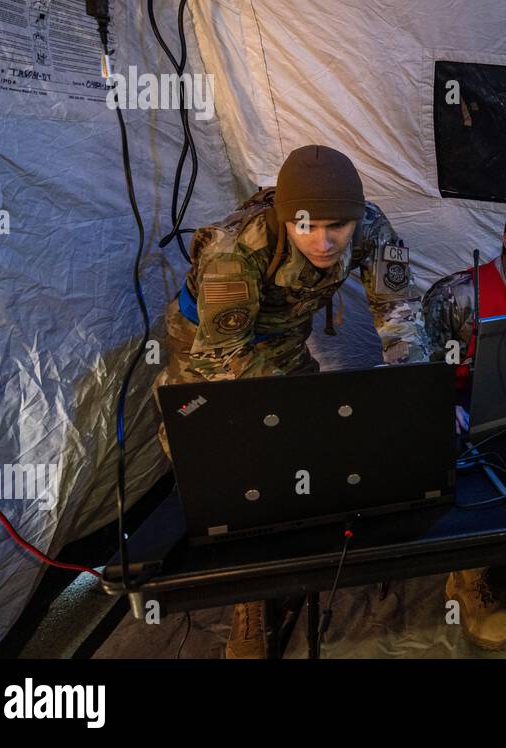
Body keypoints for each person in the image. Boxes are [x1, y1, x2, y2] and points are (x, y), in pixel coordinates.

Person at [155, 144, 426, 658]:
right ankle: (249, 596)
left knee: (301, 451)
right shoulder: (234, 250)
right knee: (229, 460)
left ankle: (295, 550)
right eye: (306, 226)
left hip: (282, 339)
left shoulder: (369, 225)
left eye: (336, 228)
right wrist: (289, 410)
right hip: (209, 347)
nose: (323, 242)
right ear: (285, 219)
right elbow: (225, 357)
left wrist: (412, 387)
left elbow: (399, 308)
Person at [422, 202, 506, 651]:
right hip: (456, 400)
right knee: (465, 469)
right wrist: (441, 403)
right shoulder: (455, 295)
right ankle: (469, 577)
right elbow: (420, 367)